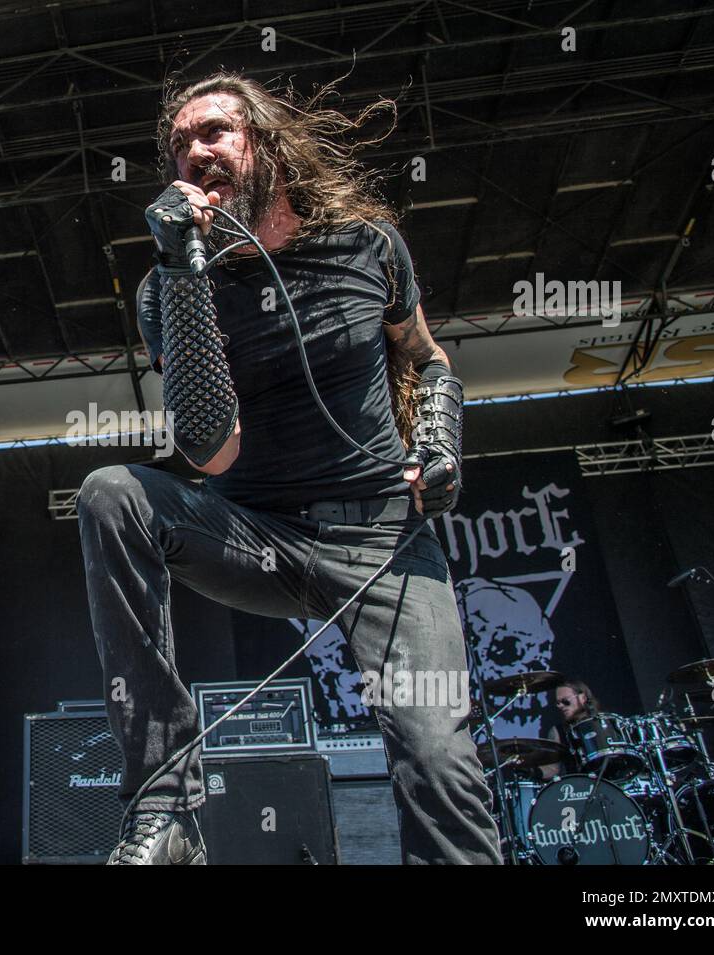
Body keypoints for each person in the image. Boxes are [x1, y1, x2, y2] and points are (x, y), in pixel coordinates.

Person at [77, 72, 499, 864]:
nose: (193, 151)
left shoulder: (368, 245)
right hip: (260, 538)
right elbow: (213, 450)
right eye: (177, 144)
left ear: (265, 144)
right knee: (110, 496)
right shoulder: (168, 288)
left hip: (384, 542)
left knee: (440, 763)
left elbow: (429, 359)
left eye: (213, 133)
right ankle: (164, 811)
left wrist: (441, 441)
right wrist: (181, 267)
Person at [539, 679, 599, 779]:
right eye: (558, 703)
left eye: (565, 701)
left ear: (582, 697)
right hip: (579, 788)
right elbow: (552, 768)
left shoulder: (606, 723)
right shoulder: (559, 731)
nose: (561, 706)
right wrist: (533, 772)